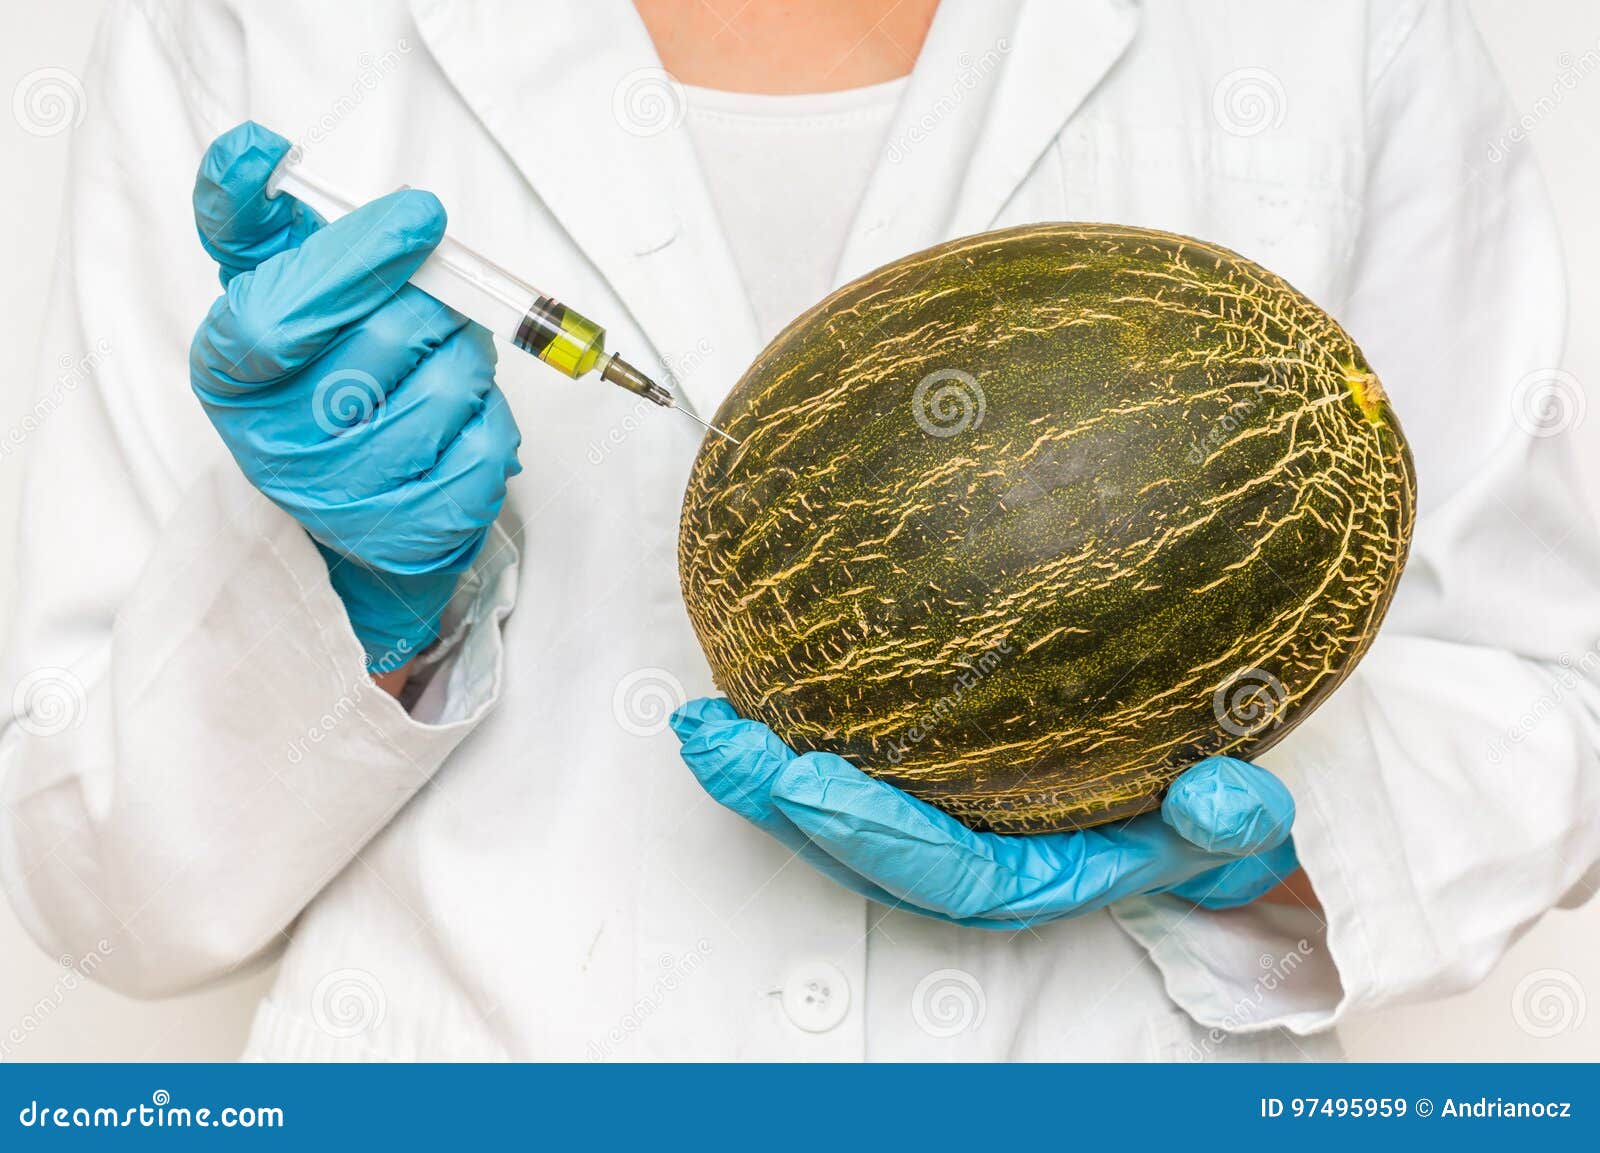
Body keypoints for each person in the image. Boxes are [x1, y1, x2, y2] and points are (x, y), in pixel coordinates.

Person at [2, 0, 1596, 1060]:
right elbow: (105, 882)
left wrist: (1233, 859)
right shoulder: (251, 29)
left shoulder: (1339, 26)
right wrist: (349, 603)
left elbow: (1549, 707)